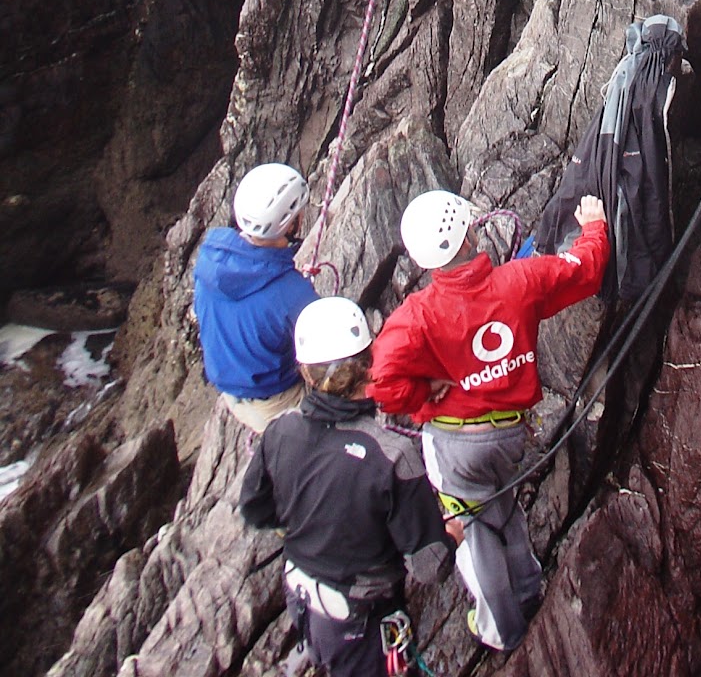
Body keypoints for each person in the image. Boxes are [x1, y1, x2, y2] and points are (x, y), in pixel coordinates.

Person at [369, 189, 610, 653]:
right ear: (466, 239)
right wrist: (595, 226)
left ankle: (501, 627)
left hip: (456, 447)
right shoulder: (519, 281)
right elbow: (583, 270)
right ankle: (527, 586)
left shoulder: (418, 316)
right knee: (504, 509)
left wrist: (423, 394)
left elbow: (381, 381)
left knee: (473, 532)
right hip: (510, 436)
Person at [240, 297, 461, 677]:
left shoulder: (280, 431)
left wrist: (315, 526)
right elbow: (430, 565)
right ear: (369, 364)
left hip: (302, 595)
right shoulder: (391, 455)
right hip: (363, 622)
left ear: (306, 374)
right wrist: (452, 535)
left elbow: (255, 508)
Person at [193, 162, 317, 431]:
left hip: (230, 389)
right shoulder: (292, 293)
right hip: (275, 400)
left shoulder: (210, 258)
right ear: (289, 223)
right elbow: (326, 352)